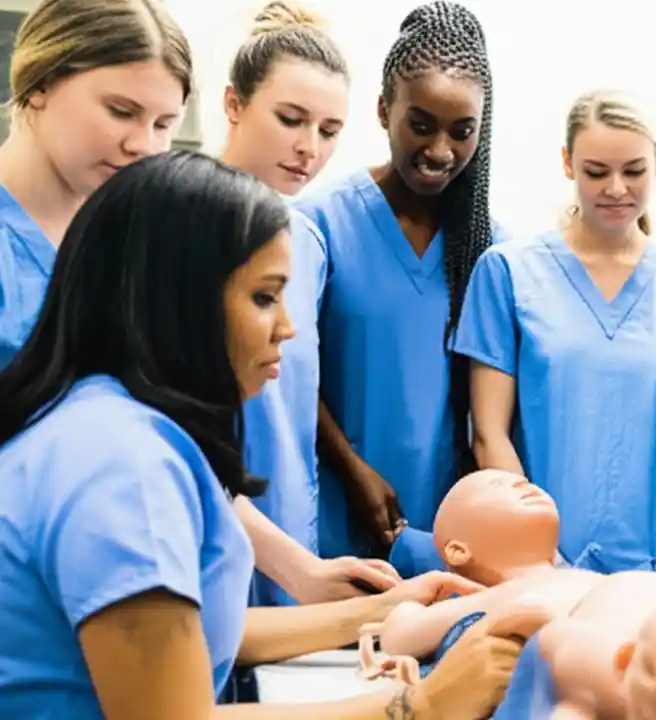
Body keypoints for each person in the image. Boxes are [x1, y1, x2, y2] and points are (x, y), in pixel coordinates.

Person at [0, 151, 546, 719]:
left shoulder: (109, 425)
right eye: (264, 296)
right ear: (179, 299)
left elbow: (199, 634)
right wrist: (420, 706)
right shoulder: (122, 465)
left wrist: (382, 610)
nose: (287, 327)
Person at [453, 89, 656, 575]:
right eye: (596, 171)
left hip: (652, 559)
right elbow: (488, 434)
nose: (615, 188)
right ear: (567, 163)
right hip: (535, 562)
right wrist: (537, 555)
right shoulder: (509, 273)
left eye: (634, 171)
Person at [296, 0, 503, 560]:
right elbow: (285, 372)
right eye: (421, 125)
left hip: (443, 536)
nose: (440, 151)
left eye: (462, 132)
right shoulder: (320, 224)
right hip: (334, 522)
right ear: (384, 108)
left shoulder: (490, 249)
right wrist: (350, 466)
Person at [221, 0, 403, 606]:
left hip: (294, 532)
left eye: (328, 131)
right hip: (211, 529)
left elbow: (294, 409)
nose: (309, 148)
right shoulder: (174, 228)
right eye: (290, 119)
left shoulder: (308, 242)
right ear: (233, 105)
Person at [0, 0, 188, 369]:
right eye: (121, 111)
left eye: (163, 125)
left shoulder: (139, 237)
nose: (144, 146)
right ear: (40, 83)